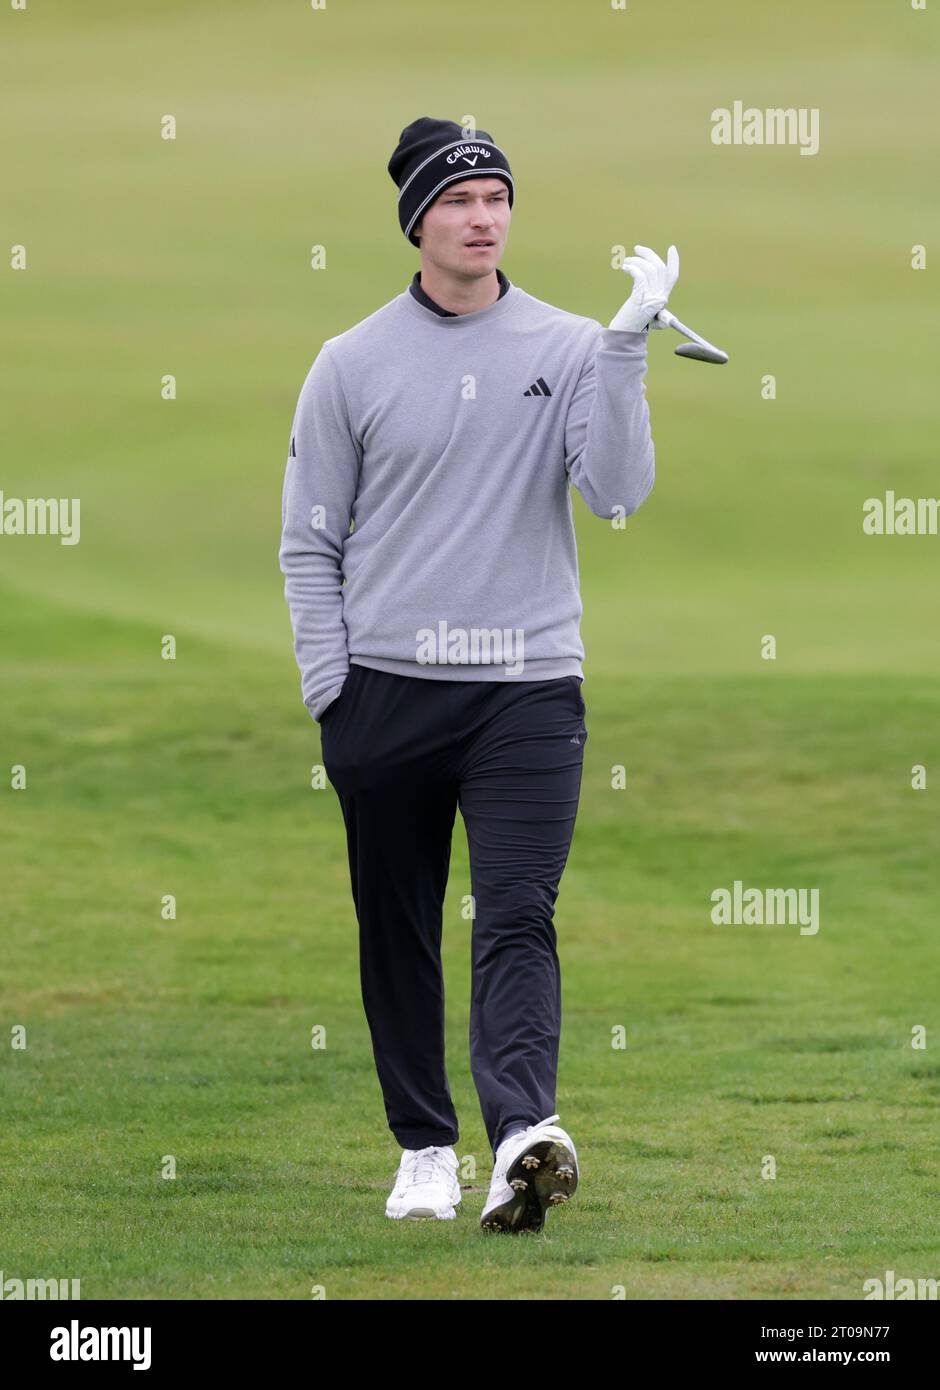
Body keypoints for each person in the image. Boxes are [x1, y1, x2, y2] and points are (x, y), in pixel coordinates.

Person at [279, 116, 678, 1234]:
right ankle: (422, 1148)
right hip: (385, 689)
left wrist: (624, 349)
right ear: (417, 220)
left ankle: (518, 1140)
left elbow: (617, 492)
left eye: (497, 197)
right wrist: (331, 691)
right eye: (457, 200)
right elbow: (309, 541)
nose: (482, 216)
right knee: (396, 924)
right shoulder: (350, 361)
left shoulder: (569, 344)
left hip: (527, 687)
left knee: (516, 913)